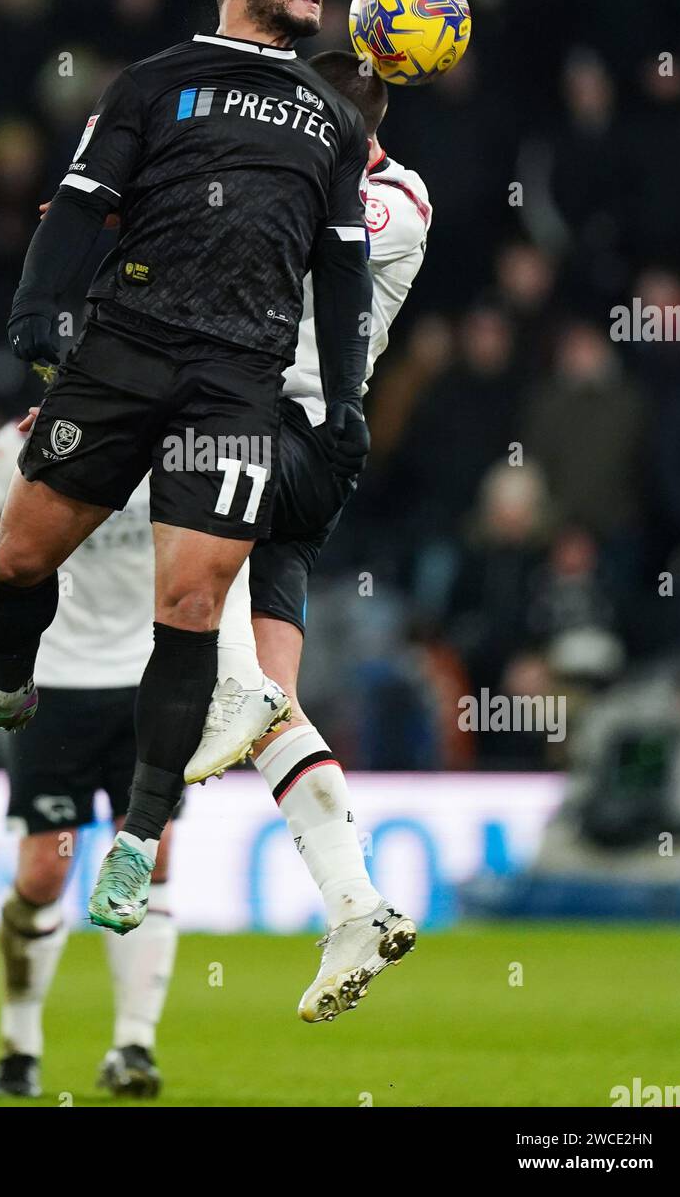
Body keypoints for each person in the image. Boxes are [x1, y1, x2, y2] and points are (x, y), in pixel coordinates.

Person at [0, 0, 372, 951]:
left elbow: (339, 271)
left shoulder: (332, 119)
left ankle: (136, 836)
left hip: (236, 381)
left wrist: (344, 400)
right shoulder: (151, 84)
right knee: (15, 560)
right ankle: (6, 690)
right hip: (122, 350)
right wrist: (36, 307)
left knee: (190, 606)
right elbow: (77, 205)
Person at [188, 50, 431, 1020]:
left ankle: (226, 685)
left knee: (141, 466)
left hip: (282, 436)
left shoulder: (391, 202)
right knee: (276, 709)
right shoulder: (313, 181)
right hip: (297, 459)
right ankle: (354, 906)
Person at [0, 413, 183, 1098]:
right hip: (54, 683)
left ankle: (133, 1046)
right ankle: (19, 1046)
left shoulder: (181, 433)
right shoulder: (30, 438)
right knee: (44, 870)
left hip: (150, 676)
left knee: (148, 858)